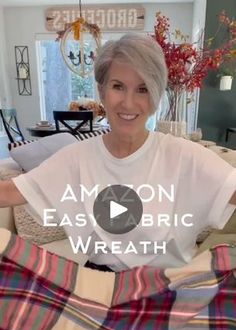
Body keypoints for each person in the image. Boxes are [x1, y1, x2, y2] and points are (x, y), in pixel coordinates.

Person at [0, 33, 235, 272]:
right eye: (118, 86)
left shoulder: (184, 155)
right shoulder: (76, 157)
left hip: (168, 286)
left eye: (142, 89)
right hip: (100, 285)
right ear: (102, 92)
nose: (128, 103)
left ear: (155, 96)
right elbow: (8, 193)